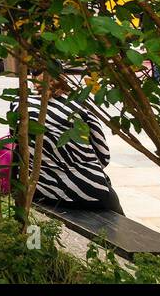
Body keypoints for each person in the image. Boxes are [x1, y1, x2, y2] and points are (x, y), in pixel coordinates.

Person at [14, 75, 123, 213]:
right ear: (64, 81)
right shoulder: (80, 107)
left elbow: (17, 148)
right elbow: (104, 158)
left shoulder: (19, 105)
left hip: (40, 191)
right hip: (90, 193)